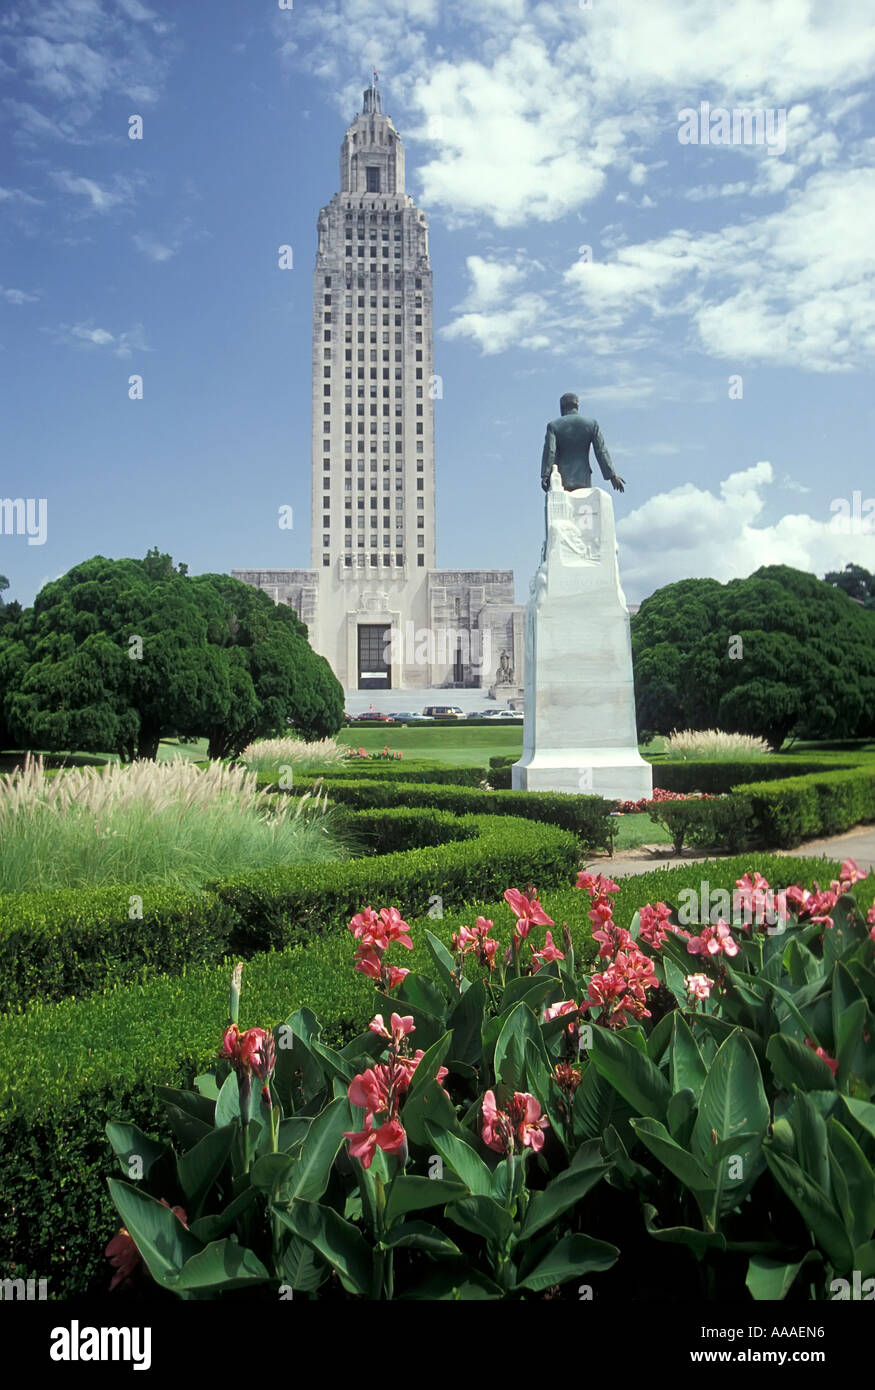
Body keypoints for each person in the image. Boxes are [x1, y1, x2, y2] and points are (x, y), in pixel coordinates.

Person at [540, 393, 625, 493]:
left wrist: (545, 475)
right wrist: (612, 476)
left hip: (561, 480)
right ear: (577, 406)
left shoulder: (553, 426)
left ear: (561, 407)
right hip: (583, 478)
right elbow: (601, 451)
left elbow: (550, 452)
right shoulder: (591, 424)